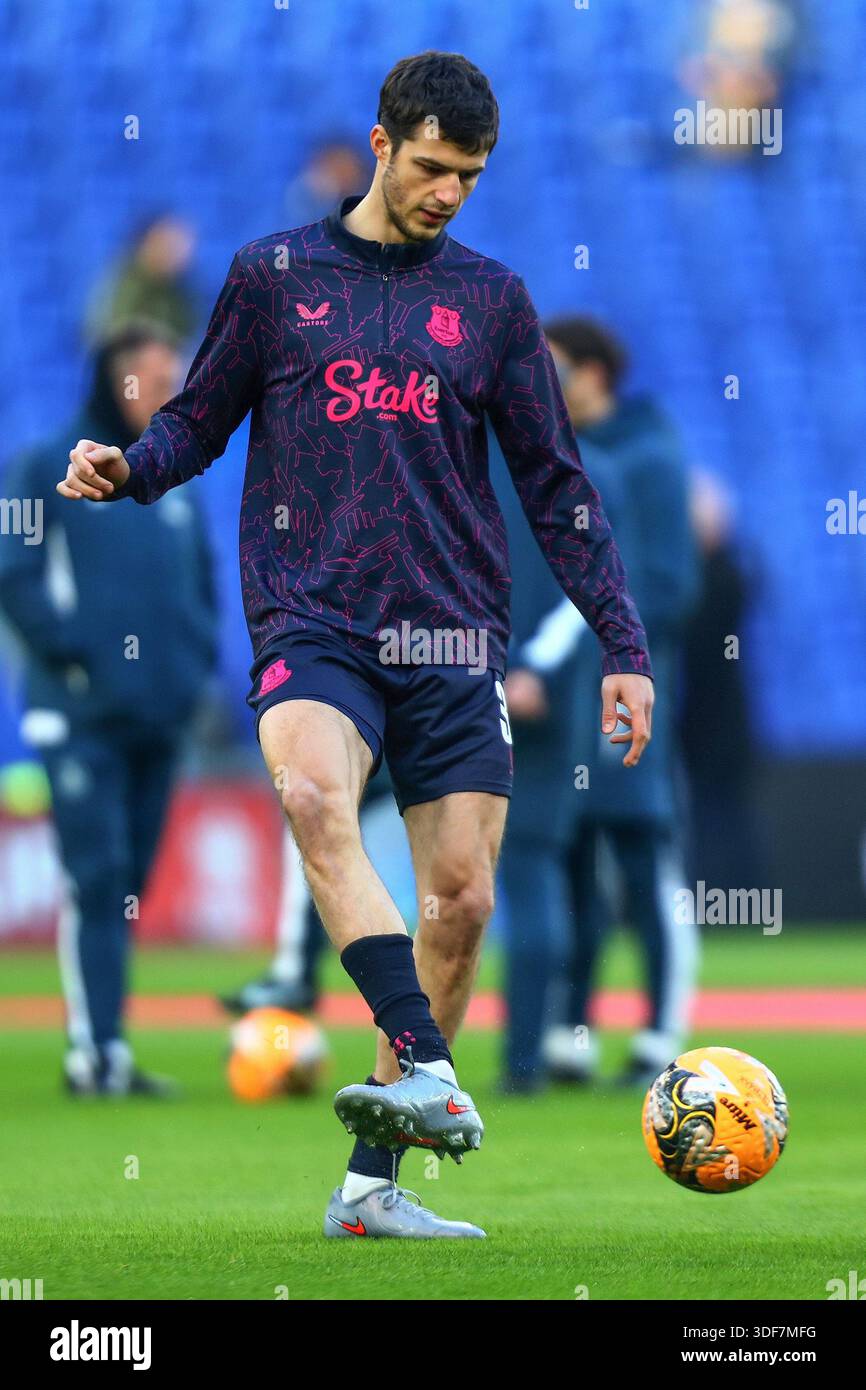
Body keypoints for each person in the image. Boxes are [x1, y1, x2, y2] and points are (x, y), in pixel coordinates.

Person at [55, 52, 653, 1239]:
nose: (448, 193)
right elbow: (194, 418)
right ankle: (428, 1065)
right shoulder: (272, 276)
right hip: (310, 615)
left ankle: (371, 1189)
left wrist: (623, 644)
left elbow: (555, 484)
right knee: (316, 802)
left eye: (469, 177)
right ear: (379, 146)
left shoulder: (491, 301)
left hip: (451, 629)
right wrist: (130, 472)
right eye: (432, 168)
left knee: (464, 900)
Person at [0, 322, 218, 1094]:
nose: (165, 393)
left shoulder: (165, 485)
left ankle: (108, 1044)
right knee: (96, 877)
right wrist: (76, 662)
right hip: (80, 716)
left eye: (172, 380)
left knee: (129, 881)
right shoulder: (38, 467)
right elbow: (12, 570)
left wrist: (192, 672)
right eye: (153, 380)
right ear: (115, 381)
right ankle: (95, 1056)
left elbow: (200, 592)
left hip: (157, 718)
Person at [542, 318, 698, 1088]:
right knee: (573, 853)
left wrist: (619, 641)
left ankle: (659, 1031)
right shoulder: (560, 458)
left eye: (559, 369)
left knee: (641, 852)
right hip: (577, 683)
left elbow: (672, 586)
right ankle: (572, 1030)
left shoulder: (651, 458)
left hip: (629, 681)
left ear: (597, 374)